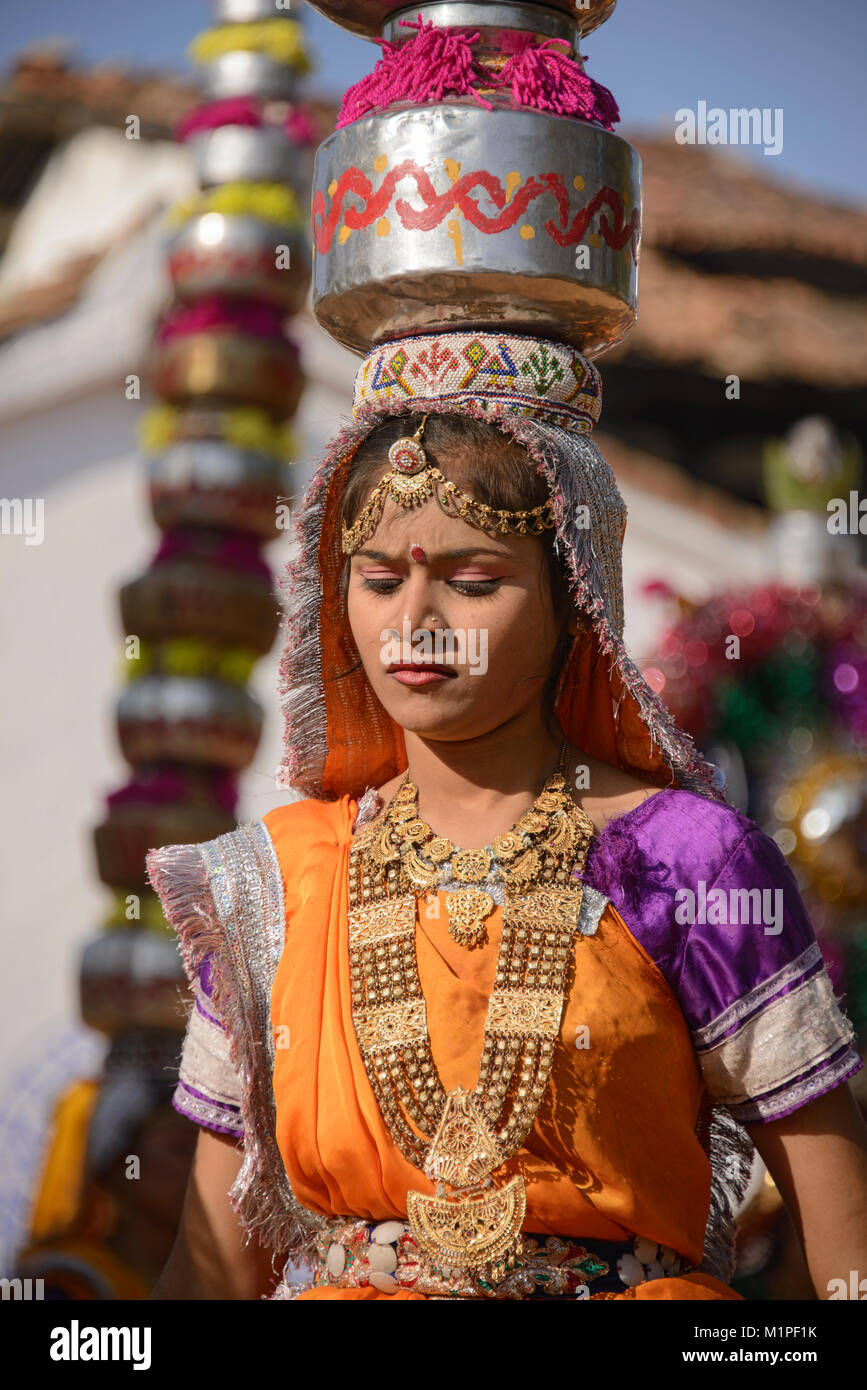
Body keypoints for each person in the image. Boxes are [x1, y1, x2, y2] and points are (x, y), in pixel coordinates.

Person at [146, 332, 867, 1301]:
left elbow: (845, 1237)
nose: (416, 621)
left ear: (577, 599)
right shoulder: (274, 882)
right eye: (379, 578)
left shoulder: (689, 863)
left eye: (474, 581)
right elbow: (210, 1269)